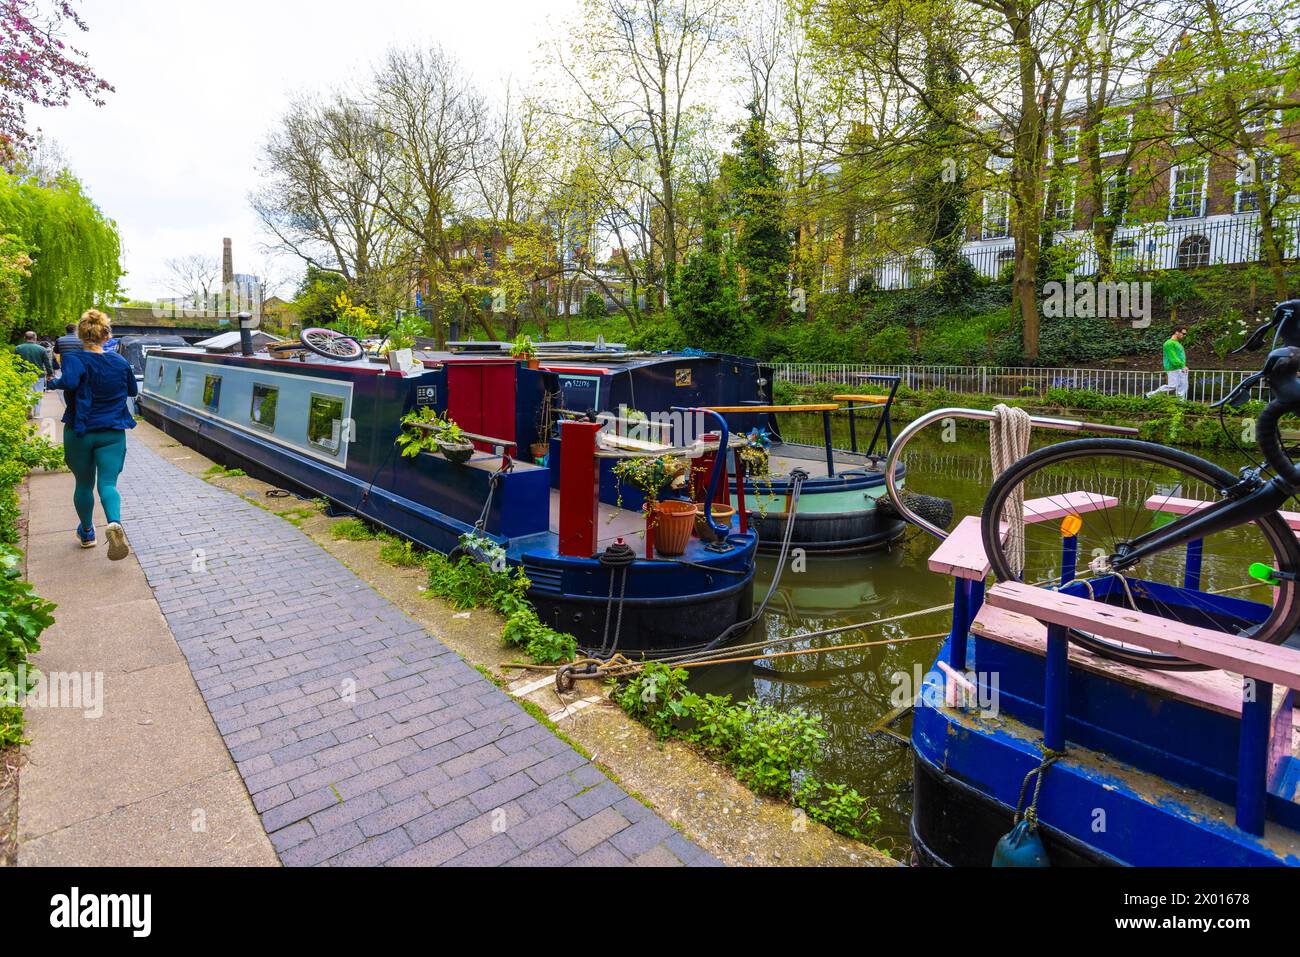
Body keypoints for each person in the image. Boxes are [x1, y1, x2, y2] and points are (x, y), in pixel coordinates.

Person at [47, 310, 137, 559]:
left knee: (84, 484)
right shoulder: (119, 361)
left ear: (80, 335)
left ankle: (87, 532)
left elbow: (71, 382)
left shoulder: (74, 358)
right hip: (112, 432)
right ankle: (114, 523)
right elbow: (131, 390)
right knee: (108, 484)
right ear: (107, 335)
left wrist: (52, 383)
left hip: (80, 431)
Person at [1146, 325, 1189, 400]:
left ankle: (1180, 402)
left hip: (1180, 368)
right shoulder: (1169, 343)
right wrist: (1182, 366)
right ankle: (1149, 395)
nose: (1184, 335)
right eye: (1183, 333)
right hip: (1173, 368)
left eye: (1185, 334)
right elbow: (1173, 357)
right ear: (1176, 332)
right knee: (1173, 386)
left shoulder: (1178, 343)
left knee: (1183, 386)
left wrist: (1183, 366)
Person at [14, 331, 54, 408]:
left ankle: (28, 406)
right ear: (35, 338)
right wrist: (50, 374)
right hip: (38, 375)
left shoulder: (18, 348)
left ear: (25, 338)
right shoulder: (42, 349)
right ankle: (37, 414)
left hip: (23, 374)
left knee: (26, 392)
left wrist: (16, 374)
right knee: (38, 393)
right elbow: (47, 363)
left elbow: (15, 363)